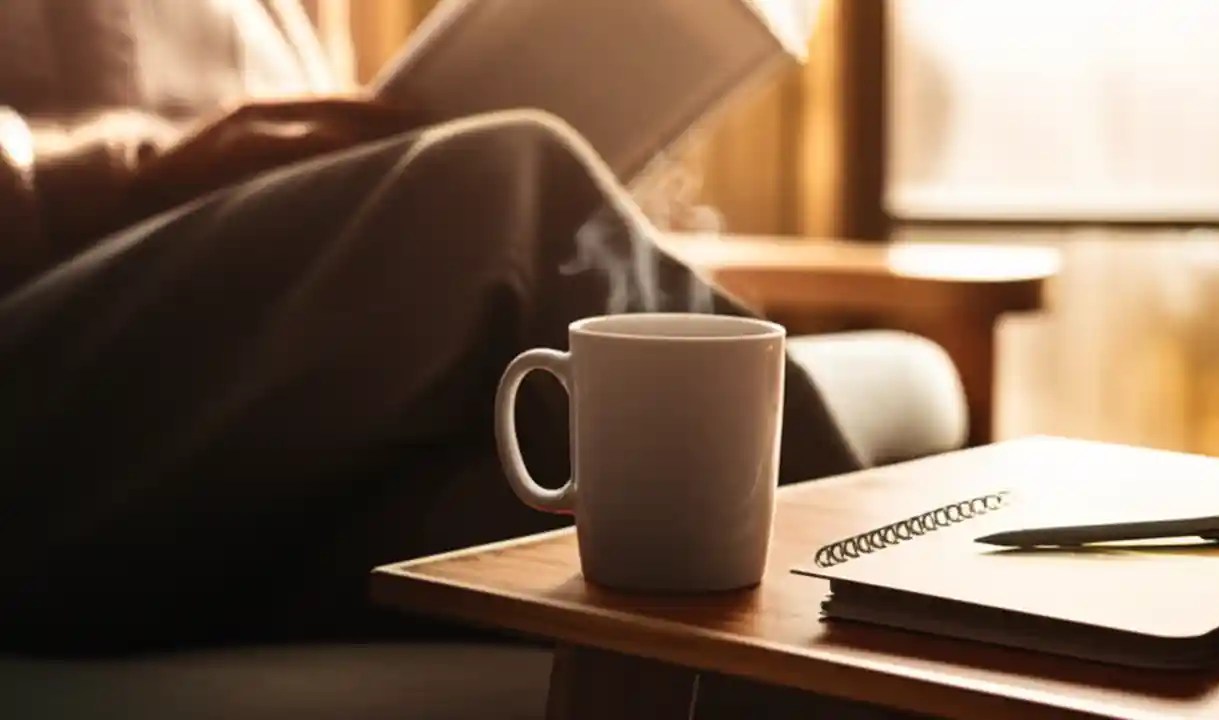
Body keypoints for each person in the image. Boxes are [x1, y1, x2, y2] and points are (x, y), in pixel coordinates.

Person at [0, 0, 857, 652]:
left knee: (589, 523)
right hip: (47, 353)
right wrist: (131, 174)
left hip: (239, 426)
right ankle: (889, 602)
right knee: (505, 177)